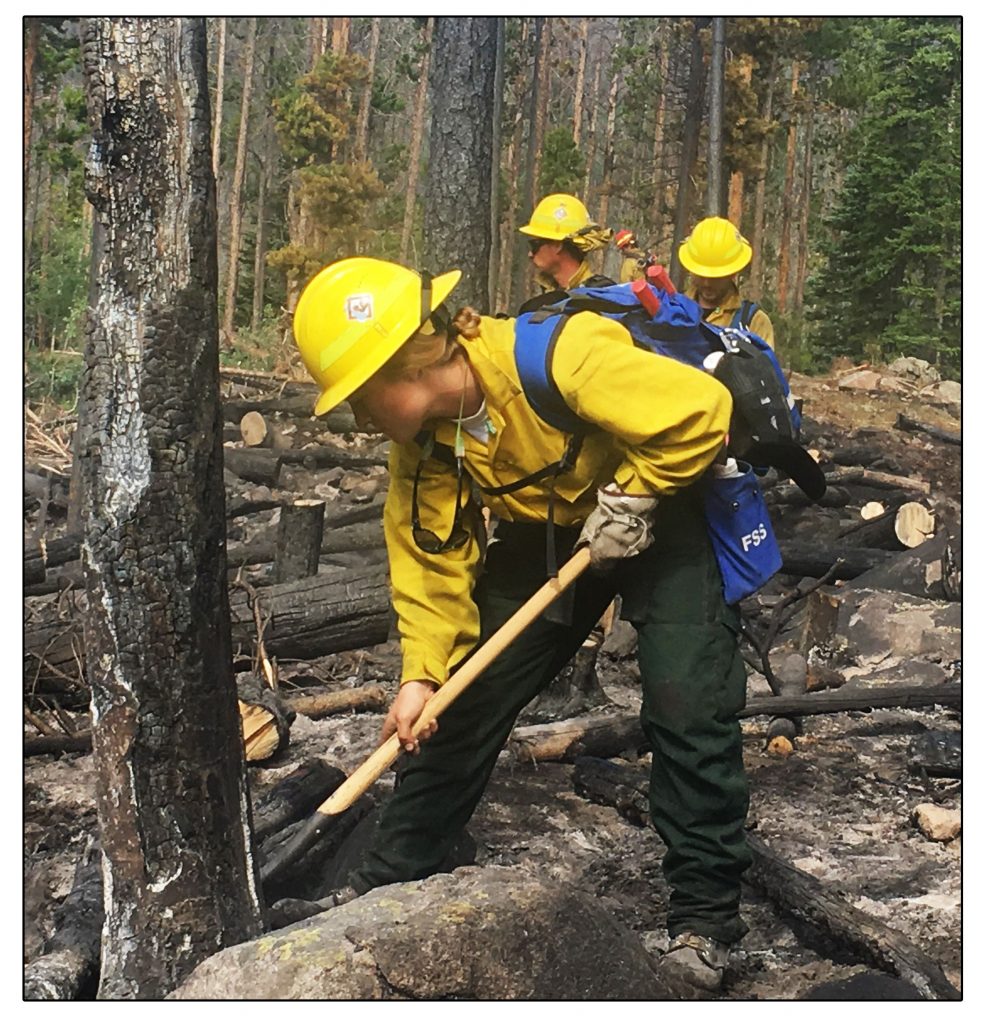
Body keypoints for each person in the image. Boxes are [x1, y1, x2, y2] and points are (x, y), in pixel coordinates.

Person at [292, 257, 753, 994]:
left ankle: (704, 922)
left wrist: (633, 498)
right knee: (458, 704)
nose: (356, 416)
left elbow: (699, 411)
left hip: (661, 516)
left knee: (685, 702)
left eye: (357, 396)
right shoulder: (427, 447)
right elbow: (428, 562)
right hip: (553, 535)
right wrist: (420, 676)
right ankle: (393, 877)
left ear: (396, 373)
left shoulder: (558, 355)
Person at [678, 216, 776, 352]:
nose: (707, 283)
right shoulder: (675, 311)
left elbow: (765, 371)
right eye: (701, 275)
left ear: (733, 272)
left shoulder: (754, 322)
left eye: (716, 277)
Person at [518, 193, 615, 293]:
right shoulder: (551, 296)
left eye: (535, 245)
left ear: (557, 245)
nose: (530, 254)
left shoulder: (600, 296)